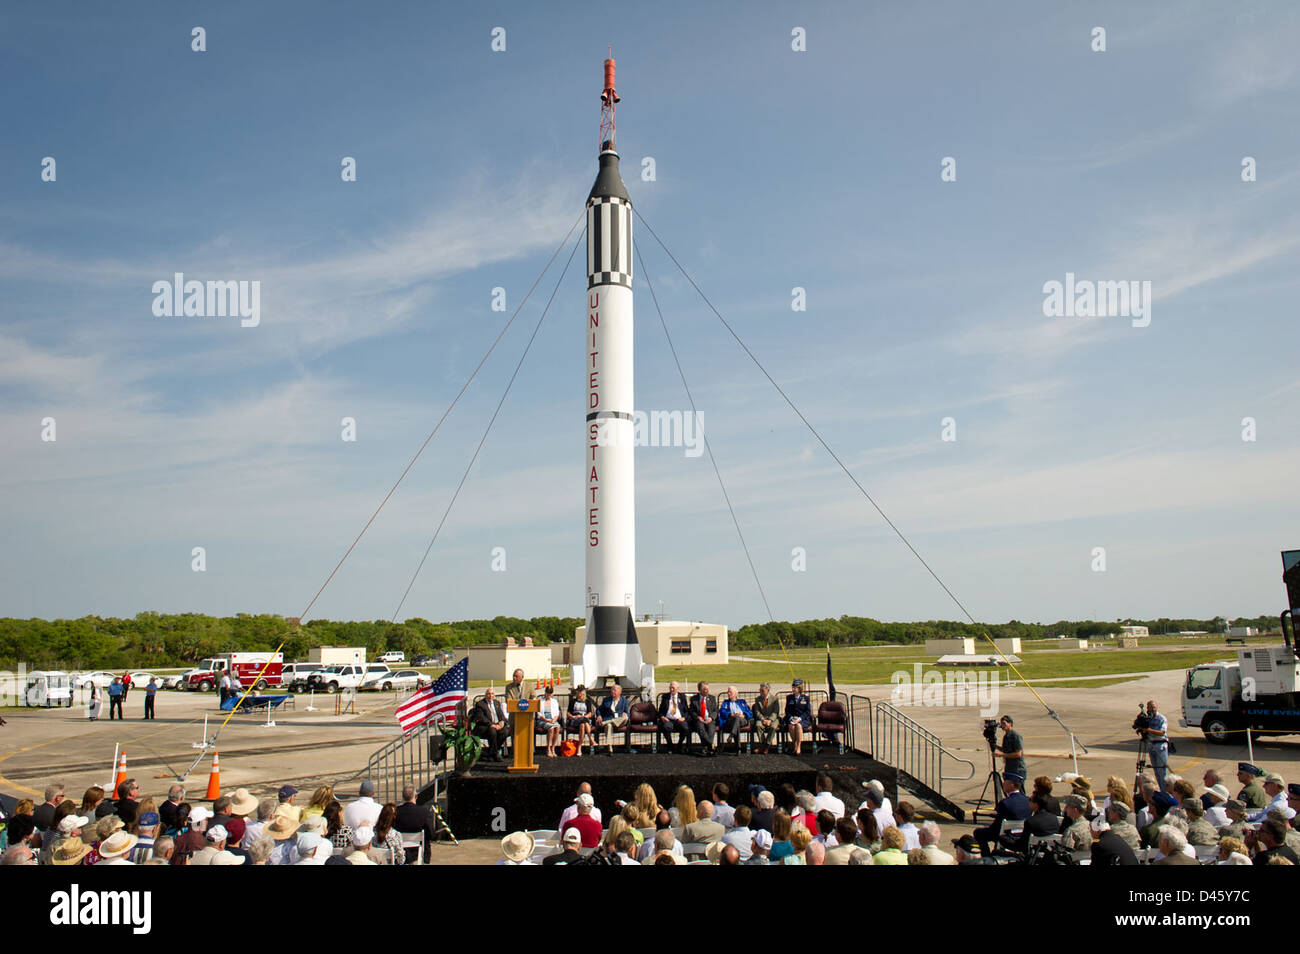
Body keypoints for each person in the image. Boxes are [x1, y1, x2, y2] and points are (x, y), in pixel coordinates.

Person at [973, 774, 1030, 856]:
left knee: (978, 833)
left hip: (1007, 834)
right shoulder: (1028, 800)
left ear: (1012, 785)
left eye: (1005, 782)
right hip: (1023, 833)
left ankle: (987, 857)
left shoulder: (1005, 803)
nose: (1003, 784)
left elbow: (997, 826)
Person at [1137, 700, 1170, 793]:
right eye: (1149, 708)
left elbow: (1162, 733)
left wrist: (1148, 730)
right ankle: (1161, 789)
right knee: (1156, 771)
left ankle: (1164, 792)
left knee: (1161, 771)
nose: (1151, 710)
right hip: (1151, 746)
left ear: (1157, 708)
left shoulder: (1161, 718)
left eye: (1153, 707)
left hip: (1160, 746)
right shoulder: (1148, 718)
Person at [471, 688, 509, 761]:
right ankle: (495, 754)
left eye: (492, 694)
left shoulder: (497, 703)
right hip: (484, 726)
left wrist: (502, 722)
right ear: (485, 695)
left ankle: (492, 752)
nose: (490, 696)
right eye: (488, 694)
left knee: (505, 731)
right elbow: (481, 718)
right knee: (492, 731)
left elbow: (501, 715)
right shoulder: (480, 704)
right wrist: (492, 725)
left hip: (496, 725)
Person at [595, 683, 630, 755]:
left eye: (614, 690)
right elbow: (598, 710)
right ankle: (610, 748)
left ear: (620, 692)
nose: (612, 692)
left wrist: (626, 714)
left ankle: (606, 722)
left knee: (626, 718)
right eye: (612, 690)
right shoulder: (606, 700)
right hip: (609, 721)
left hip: (619, 721)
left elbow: (628, 713)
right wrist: (599, 716)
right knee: (608, 726)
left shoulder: (624, 701)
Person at [656, 681, 690, 753]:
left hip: (679, 719)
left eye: (673, 688)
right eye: (670, 688)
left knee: (685, 728)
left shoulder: (682, 697)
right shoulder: (665, 697)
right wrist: (662, 717)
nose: (671, 689)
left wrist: (684, 718)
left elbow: (686, 710)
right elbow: (660, 711)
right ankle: (670, 745)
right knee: (665, 727)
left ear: (677, 689)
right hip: (668, 719)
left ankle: (679, 745)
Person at [717, 686, 753, 753]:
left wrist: (744, 715)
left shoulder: (742, 702)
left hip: (742, 720)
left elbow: (749, 712)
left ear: (736, 694)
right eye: (728, 692)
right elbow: (722, 711)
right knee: (736, 722)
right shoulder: (726, 702)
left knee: (737, 720)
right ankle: (737, 747)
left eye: (730, 692)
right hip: (730, 720)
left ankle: (732, 737)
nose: (728, 693)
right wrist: (731, 714)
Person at [689, 681, 718, 756]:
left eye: (707, 689)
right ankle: (710, 745)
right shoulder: (694, 699)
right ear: (699, 690)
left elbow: (716, 710)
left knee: (711, 729)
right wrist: (698, 717)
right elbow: (692, 711)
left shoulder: (712, 698)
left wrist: (711, 718)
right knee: (700, 728)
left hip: (709, 719)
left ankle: (706, 747)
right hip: (699, 719)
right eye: (704, 689)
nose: (706, 691)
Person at [751, 682, 781, 753]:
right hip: (762, 718)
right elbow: (757, 712)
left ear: (768, 690)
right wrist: (762, 719)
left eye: (762, 690)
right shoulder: (757, 699)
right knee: (758, 725)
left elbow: (776, 712)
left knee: (773, 727)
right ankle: (763, 744)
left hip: (773, 719)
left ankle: (767, 745)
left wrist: (770, 720)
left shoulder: (774, 699)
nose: (761, 692)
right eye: (760, 690)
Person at [996, 715, 1026, 785]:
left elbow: (1018, 754)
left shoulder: (1015, 736)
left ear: (1010, 724)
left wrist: (1002, 755)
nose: (1003, 726)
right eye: (1002, 724)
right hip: (1009, 768)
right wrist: (996, 746)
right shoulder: (1006, 736)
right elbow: (1006, 750)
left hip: (1017, 769)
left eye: (1004, 723)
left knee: (1019, 791)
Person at [784, 679, 812, 755]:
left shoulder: (805, 698)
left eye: (795, 687)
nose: (793, 689)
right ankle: (794, 744)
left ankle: (799, 746)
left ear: (799, 688)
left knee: (799, 726)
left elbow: (808, 711)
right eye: (793, 687)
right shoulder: (789, 698)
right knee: (791, 726)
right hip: (792, 719)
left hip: (803, 719)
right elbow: (787, 710)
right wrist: (791, 718)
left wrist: (800, 718)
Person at [567, 685, 595, 754]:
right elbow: (568, 713)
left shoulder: (587, 701)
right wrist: (573, 717)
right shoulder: (573, 701)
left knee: (582, 724)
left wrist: (584, 716)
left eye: (581, 691)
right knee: (583, 722)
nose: (579, 693)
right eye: (578, 691)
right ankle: (591, 738)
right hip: (575, 719)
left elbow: (590, 713)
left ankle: (579, 747)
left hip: (584, 719)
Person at [536, 684, 563, 757]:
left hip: (552, 719)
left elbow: (557, 713)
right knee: (551, 728)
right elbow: (538, 713)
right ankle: (548, 748)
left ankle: (553, 748)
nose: (549, 694)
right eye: (547, 693)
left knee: (557, 728)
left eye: (550, 693)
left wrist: (554, 720)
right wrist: (546, 720)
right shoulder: (540, 701)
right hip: (543, 719)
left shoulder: (554, 701)